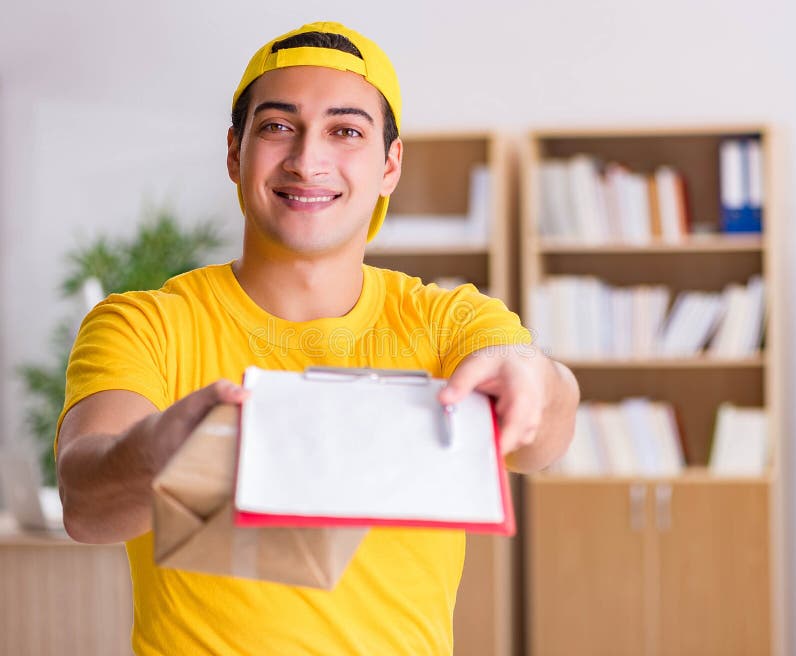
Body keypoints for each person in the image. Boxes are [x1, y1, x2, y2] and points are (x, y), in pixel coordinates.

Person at [55, 21, 579, 655]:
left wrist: (534, 380)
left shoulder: (451, 321)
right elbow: (84, 504)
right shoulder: (144, 323)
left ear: (389, 165)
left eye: (346, 131)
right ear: (233, 153)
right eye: (277, 127)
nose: (308, 159)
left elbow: (545, 434)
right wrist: (156, 453)